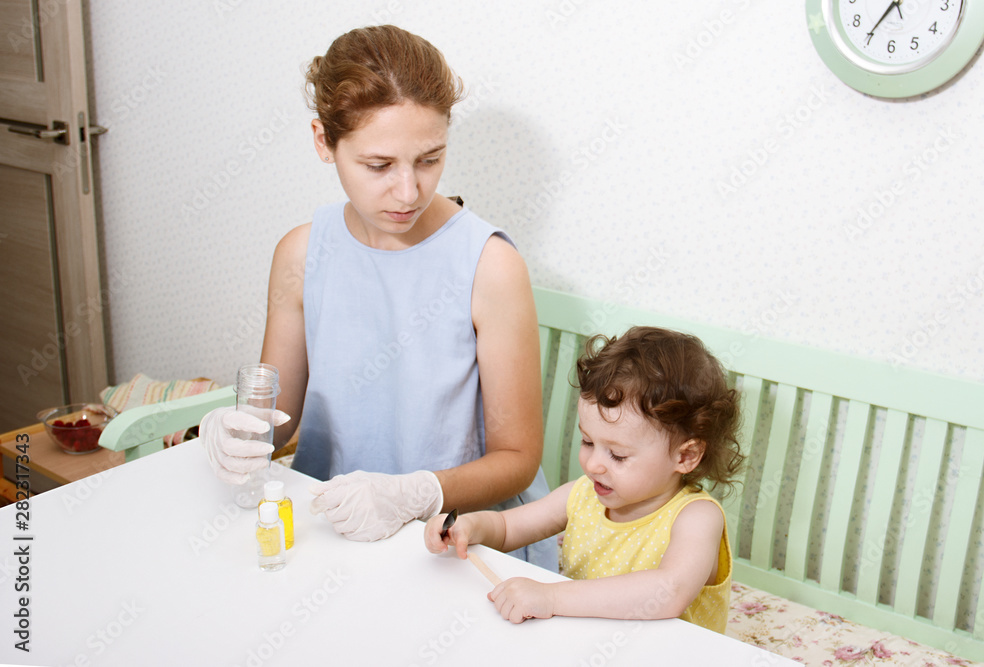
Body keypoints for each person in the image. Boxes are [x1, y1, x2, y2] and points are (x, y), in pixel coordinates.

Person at [199, 25, 554, 565]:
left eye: (430, 159)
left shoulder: (490, 265)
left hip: (460, 539)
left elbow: (518, 460)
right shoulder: (300, 255)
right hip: (332, 526)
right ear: (324, 141)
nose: (408, 192)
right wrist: (231, 433)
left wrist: (416, 493)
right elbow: (277, 419)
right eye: (379, 165)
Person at [424, 326, 745, 632]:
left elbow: (668, 591)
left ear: (685, 456)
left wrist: (551, 597)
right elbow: (508, 528)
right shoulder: (582, 495)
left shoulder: (697, 517)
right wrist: (470, 527)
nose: (592, 465)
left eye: (617, 455)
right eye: (588, 441)